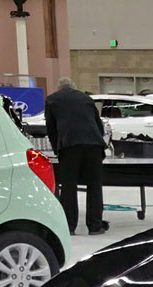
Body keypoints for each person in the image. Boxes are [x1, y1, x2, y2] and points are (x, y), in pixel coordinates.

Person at [44, 77, 109, 235]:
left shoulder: (51, 100)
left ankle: (69, 226)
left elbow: (51, 129)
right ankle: (95, 226)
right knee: (94, 186)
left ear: (59, 88)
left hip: (69, 145)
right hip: (93, 144)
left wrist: (57, 149)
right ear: (73, 87)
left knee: (69, 187)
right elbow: (98, 125)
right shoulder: (86, 98)